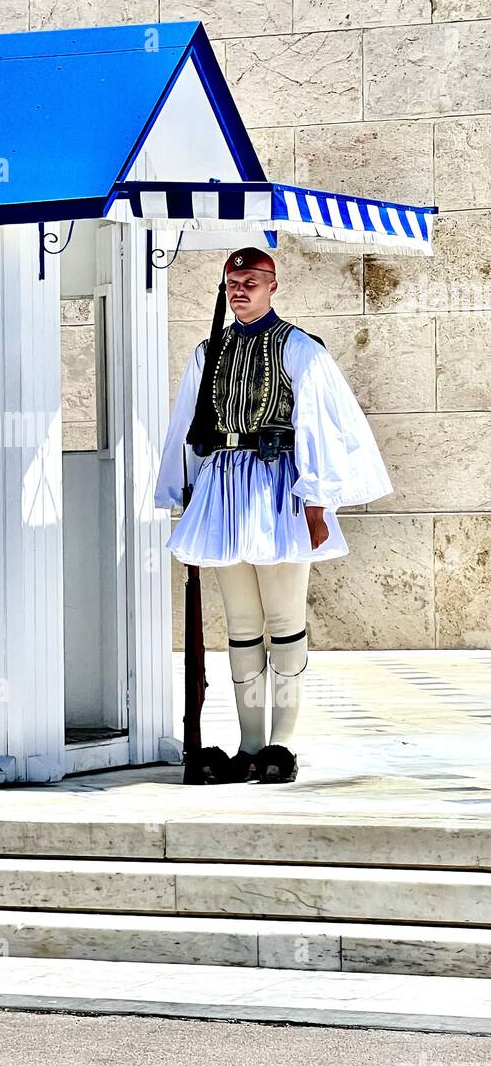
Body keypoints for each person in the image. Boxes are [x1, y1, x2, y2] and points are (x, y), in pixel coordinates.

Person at [155, 246, 393, 783]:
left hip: (278, 489)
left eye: (251, 281)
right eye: (232, 282)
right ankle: (249, 744)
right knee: (241, 626)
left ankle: (281, 745)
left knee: (284, 623)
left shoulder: (299, 349)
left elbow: (319, 425)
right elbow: (187, 428)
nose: (240, 290)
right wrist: (184, 493)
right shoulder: (205, 352)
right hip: (224, 491)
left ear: (273, 286)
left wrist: (317, 501)